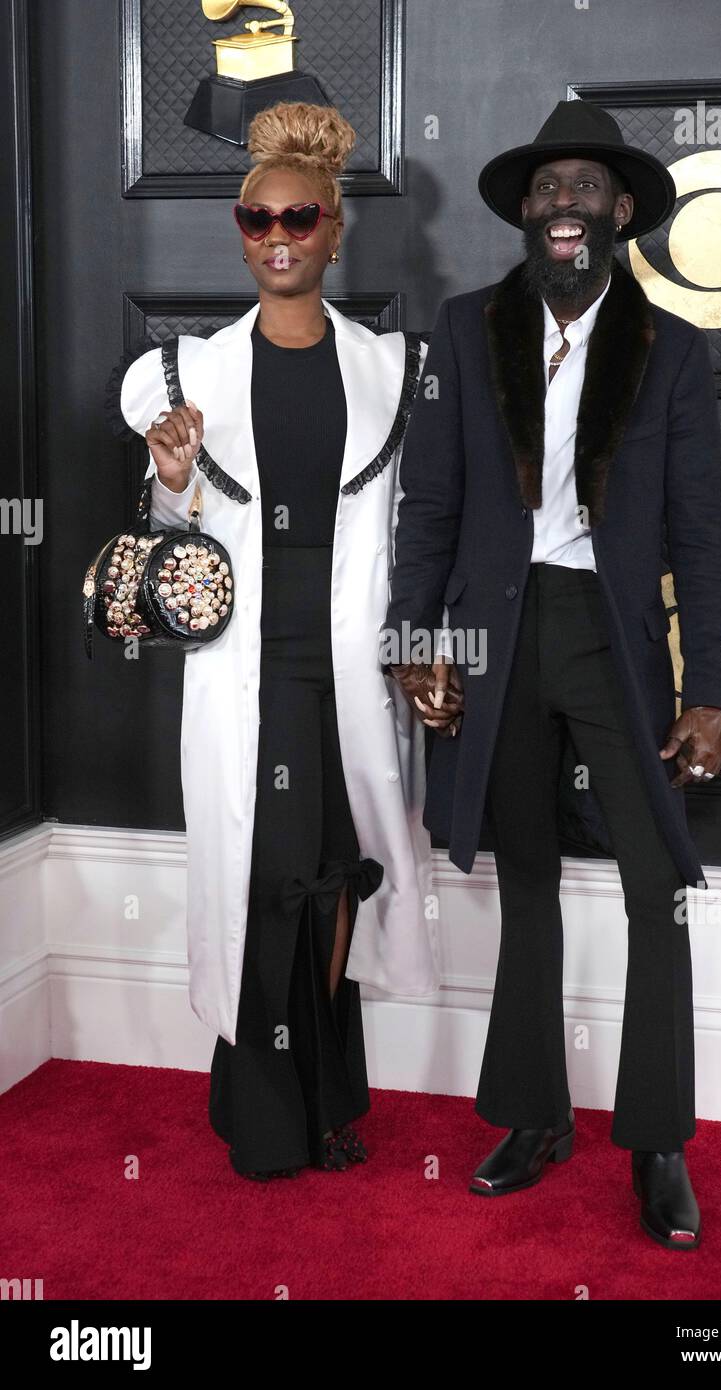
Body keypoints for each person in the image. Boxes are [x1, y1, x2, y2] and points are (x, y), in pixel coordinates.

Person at [384, 99, 721, 1248]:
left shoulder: (671, 348)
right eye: (545, 189)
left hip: (611, 635)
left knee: (655, 885)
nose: (562, 204)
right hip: (493, 630)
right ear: (525, 214)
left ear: (621, 211)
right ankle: (533, 1116)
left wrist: (711, 689)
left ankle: (655, 1144)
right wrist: (413, 643)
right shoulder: (461, 327)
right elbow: (428, 508)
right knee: (523, 877)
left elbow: (701, 532)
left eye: (583, 187)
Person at [106, 101, 453, 1181]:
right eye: (258, 219)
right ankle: (264, 1120)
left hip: (344, 677)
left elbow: (412, 537)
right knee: (256, 884)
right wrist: (168, 488)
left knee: (333, 882)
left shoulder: (391, 374)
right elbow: (177, 561)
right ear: (240, 229)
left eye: (301, 217)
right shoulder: (184, 379)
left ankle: (330, 1102)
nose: (279, 237)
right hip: (238, 679)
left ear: (335, 229)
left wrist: (428, 651)